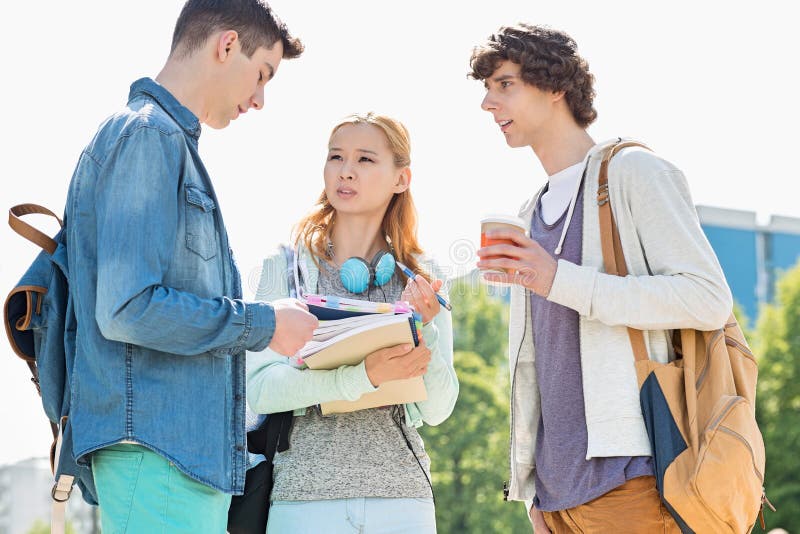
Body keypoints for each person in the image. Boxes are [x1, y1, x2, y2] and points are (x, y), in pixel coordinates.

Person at [63, 1, 318, 532]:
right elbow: (128, 308)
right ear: (227, 46)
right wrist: (265, 324)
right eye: (262, 75)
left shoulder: (163, 140)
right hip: (157, 452)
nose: (260, 99)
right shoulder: (149, 136)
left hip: (173, 458)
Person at [470, 24, 732, 533]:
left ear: (555, 87)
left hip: (631, 480)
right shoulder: (530, 212)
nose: (486, 103)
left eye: (504, 84)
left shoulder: (635, 172)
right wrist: (532, 492)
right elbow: (536, 362)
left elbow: (707, 298)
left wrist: (558, 279)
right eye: (486, 87)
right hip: (556, 496)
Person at [247, 113, 459, 533]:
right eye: (336, 157)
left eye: (365, 159)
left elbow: (437, 410)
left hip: (403, 499)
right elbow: (260, 390)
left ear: (401, 178)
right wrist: (364, 376)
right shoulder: (283, 270)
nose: (345, 171)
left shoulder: (420, 276)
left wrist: (427, 328)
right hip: (303, 500)